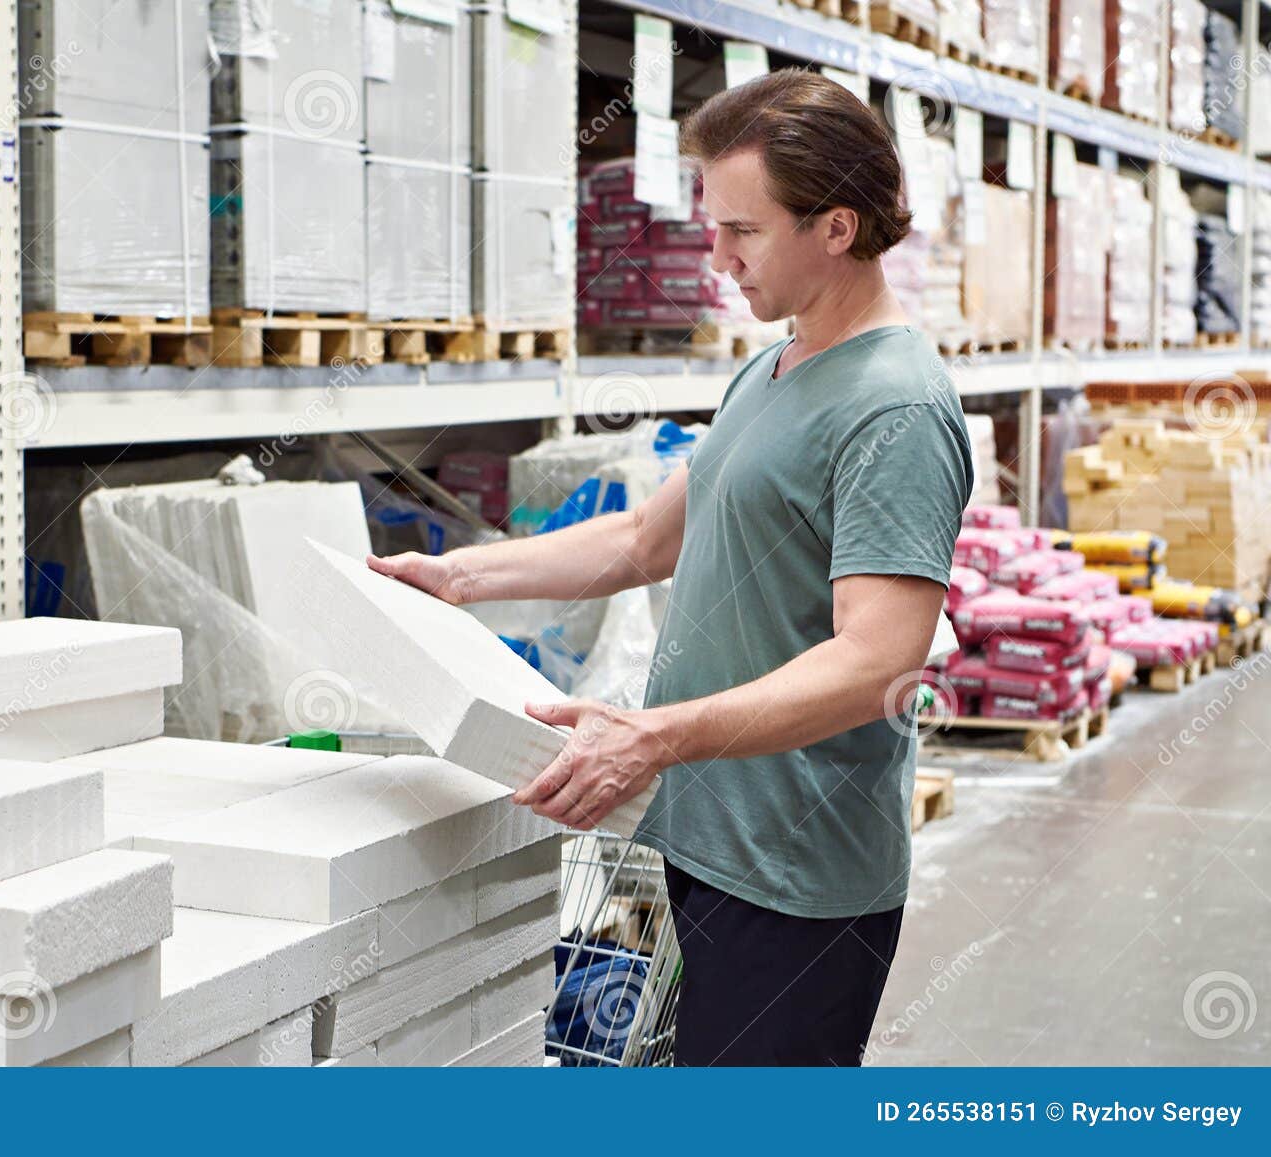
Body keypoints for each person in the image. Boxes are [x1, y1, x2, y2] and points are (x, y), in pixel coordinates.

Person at [369, 68, 973, 1066]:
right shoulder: (773, 367)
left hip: (797, 876)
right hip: (708, 843)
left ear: (836, 226)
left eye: (743, 229)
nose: (715, 254)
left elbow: (877, 663)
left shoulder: (894, 406)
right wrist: (461, 577)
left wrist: (652, 736)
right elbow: (643, 539)